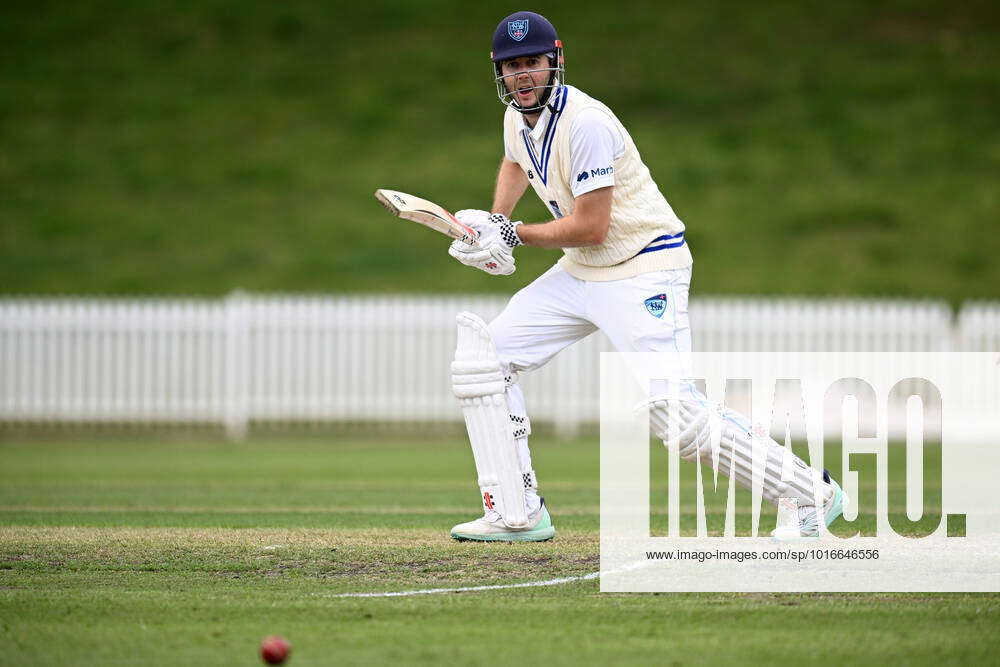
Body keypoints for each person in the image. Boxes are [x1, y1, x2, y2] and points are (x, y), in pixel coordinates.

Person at [446, 11, 846, 542]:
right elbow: (515, 161)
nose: (524, 75)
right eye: (513, 66)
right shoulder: (517, 119)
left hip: (643, 268)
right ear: (501, 73)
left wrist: (514, 234)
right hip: (584, 272)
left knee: (676, 416)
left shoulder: (586, 123)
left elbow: (591, 227)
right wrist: (494, 222)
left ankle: (811, 495)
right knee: (483, 359)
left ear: (555, 62)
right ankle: (517, 513)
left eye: (533, 63)